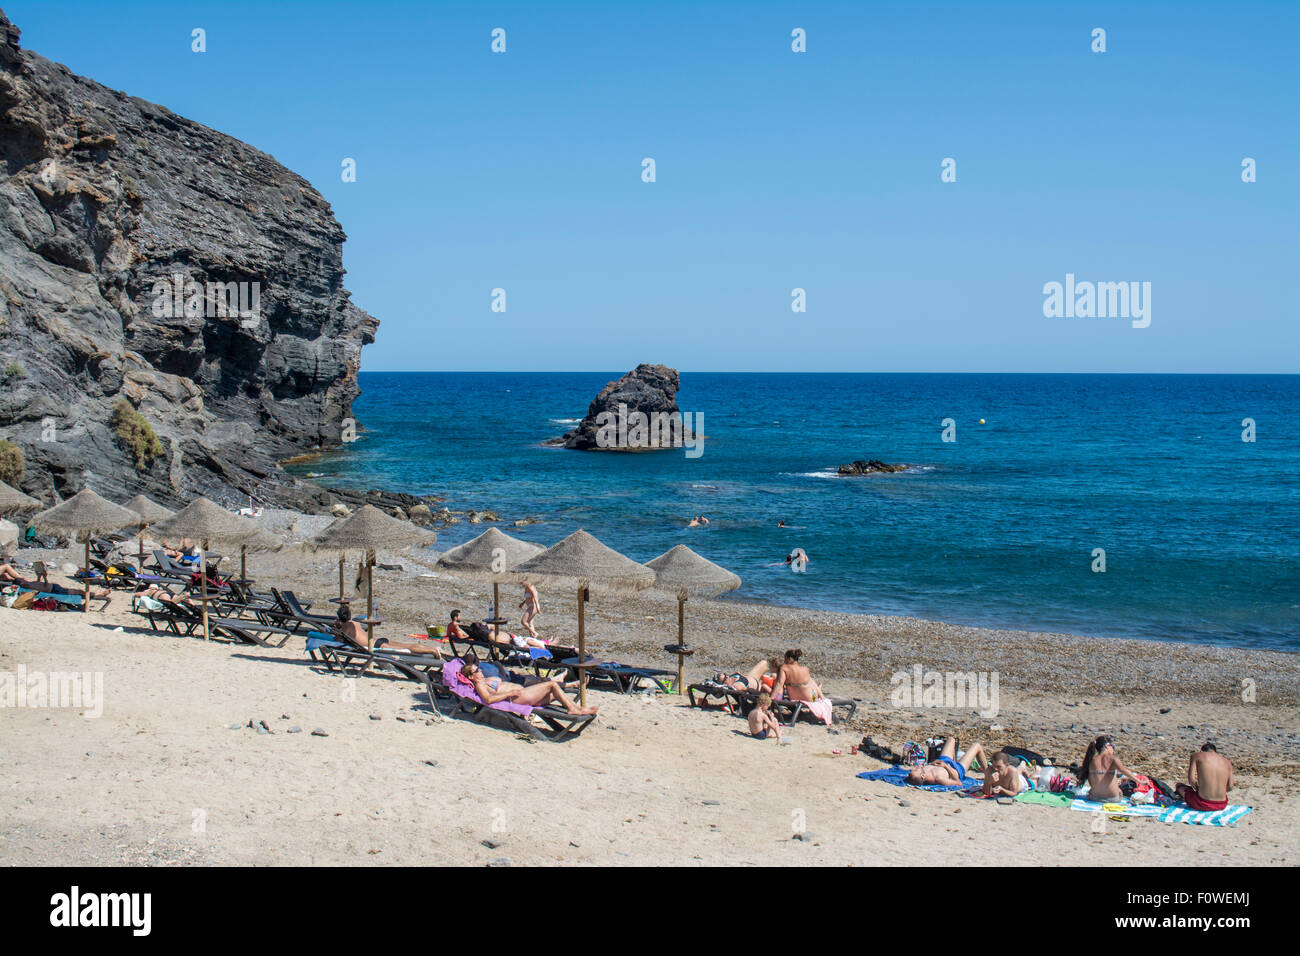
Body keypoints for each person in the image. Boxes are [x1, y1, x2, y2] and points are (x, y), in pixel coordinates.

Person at [459, 660, 597, 716]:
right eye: (477, 671)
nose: (480, 671)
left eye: (479, 669)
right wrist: (509, 693)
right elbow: (488, 699)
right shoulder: (480, 685)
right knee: (552, 685)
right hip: (518, 697)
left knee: (556, 693)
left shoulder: (485, 680)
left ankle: (578, 709)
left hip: (522, 693)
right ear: (471, 677)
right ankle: (573, 709)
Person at [335, 603, 442, 656]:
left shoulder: (345, 626)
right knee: (406, 645)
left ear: (340, 618)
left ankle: (432, 650)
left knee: (407, 649)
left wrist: (337, 628)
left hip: (376, 645)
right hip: (378, 640)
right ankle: (432, 648)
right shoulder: (355, 623)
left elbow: (339, 640)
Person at [1075, 735, 1139, 801]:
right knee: (1119, 789)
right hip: (1113, 799)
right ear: (1107, 746)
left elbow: (1091, 780)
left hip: (1094, 797)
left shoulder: (1090, 760)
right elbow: (1123, 770)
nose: (1113, 750)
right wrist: (1140, 781)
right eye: (1113, 746)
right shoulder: (1113, 759)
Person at [906, 737, 987, 787]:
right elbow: (958, 783)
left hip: (944, 760)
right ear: (923, 776)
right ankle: (988, 774)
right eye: (915, 770)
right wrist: (945, 766)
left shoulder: (923, 771)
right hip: (957, 770)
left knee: (951, 739)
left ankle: (954, 759)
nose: (914, 768)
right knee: (977, 746)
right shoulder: (939, 779)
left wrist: (934, 763)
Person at [1176, 743, 1234, 811]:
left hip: (1203, 803)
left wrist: (1198, 789)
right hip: (1222, 804)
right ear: (1215, 751)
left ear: (1202, 751)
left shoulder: (1197, 756)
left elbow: (1191, 780)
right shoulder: (1227, 762)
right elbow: (1230, 787)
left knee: (1179, 786)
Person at [1, 563, 109, 599]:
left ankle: (97, 594)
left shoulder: (25, 583)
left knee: (78, 591)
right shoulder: (24, 583)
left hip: (54, 588)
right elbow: (44, 587)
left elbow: (38, 584)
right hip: (55, 590)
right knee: (79, 592)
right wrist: (45, 577)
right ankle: (98, 594)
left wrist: (39, 576)